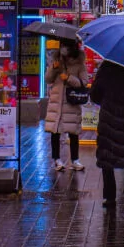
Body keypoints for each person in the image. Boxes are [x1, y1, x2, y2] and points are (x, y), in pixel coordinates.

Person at [90, 60, 124, 210]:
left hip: (108, 118)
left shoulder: (106, 68)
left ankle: (109, 197)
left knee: (107, 157)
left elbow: (94, 95)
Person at [43, 40, 87, 171]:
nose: (63, 49)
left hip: (71, 102)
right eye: (62, 46)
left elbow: (84, 82)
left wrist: (68, 78)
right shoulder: (56, 60)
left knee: (73, 132)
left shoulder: (79, 64)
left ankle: (75, 160)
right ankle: (56, 159)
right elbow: (47, 79)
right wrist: (53, 68)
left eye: (66, 46)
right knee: (55, 131)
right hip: (56, 102)